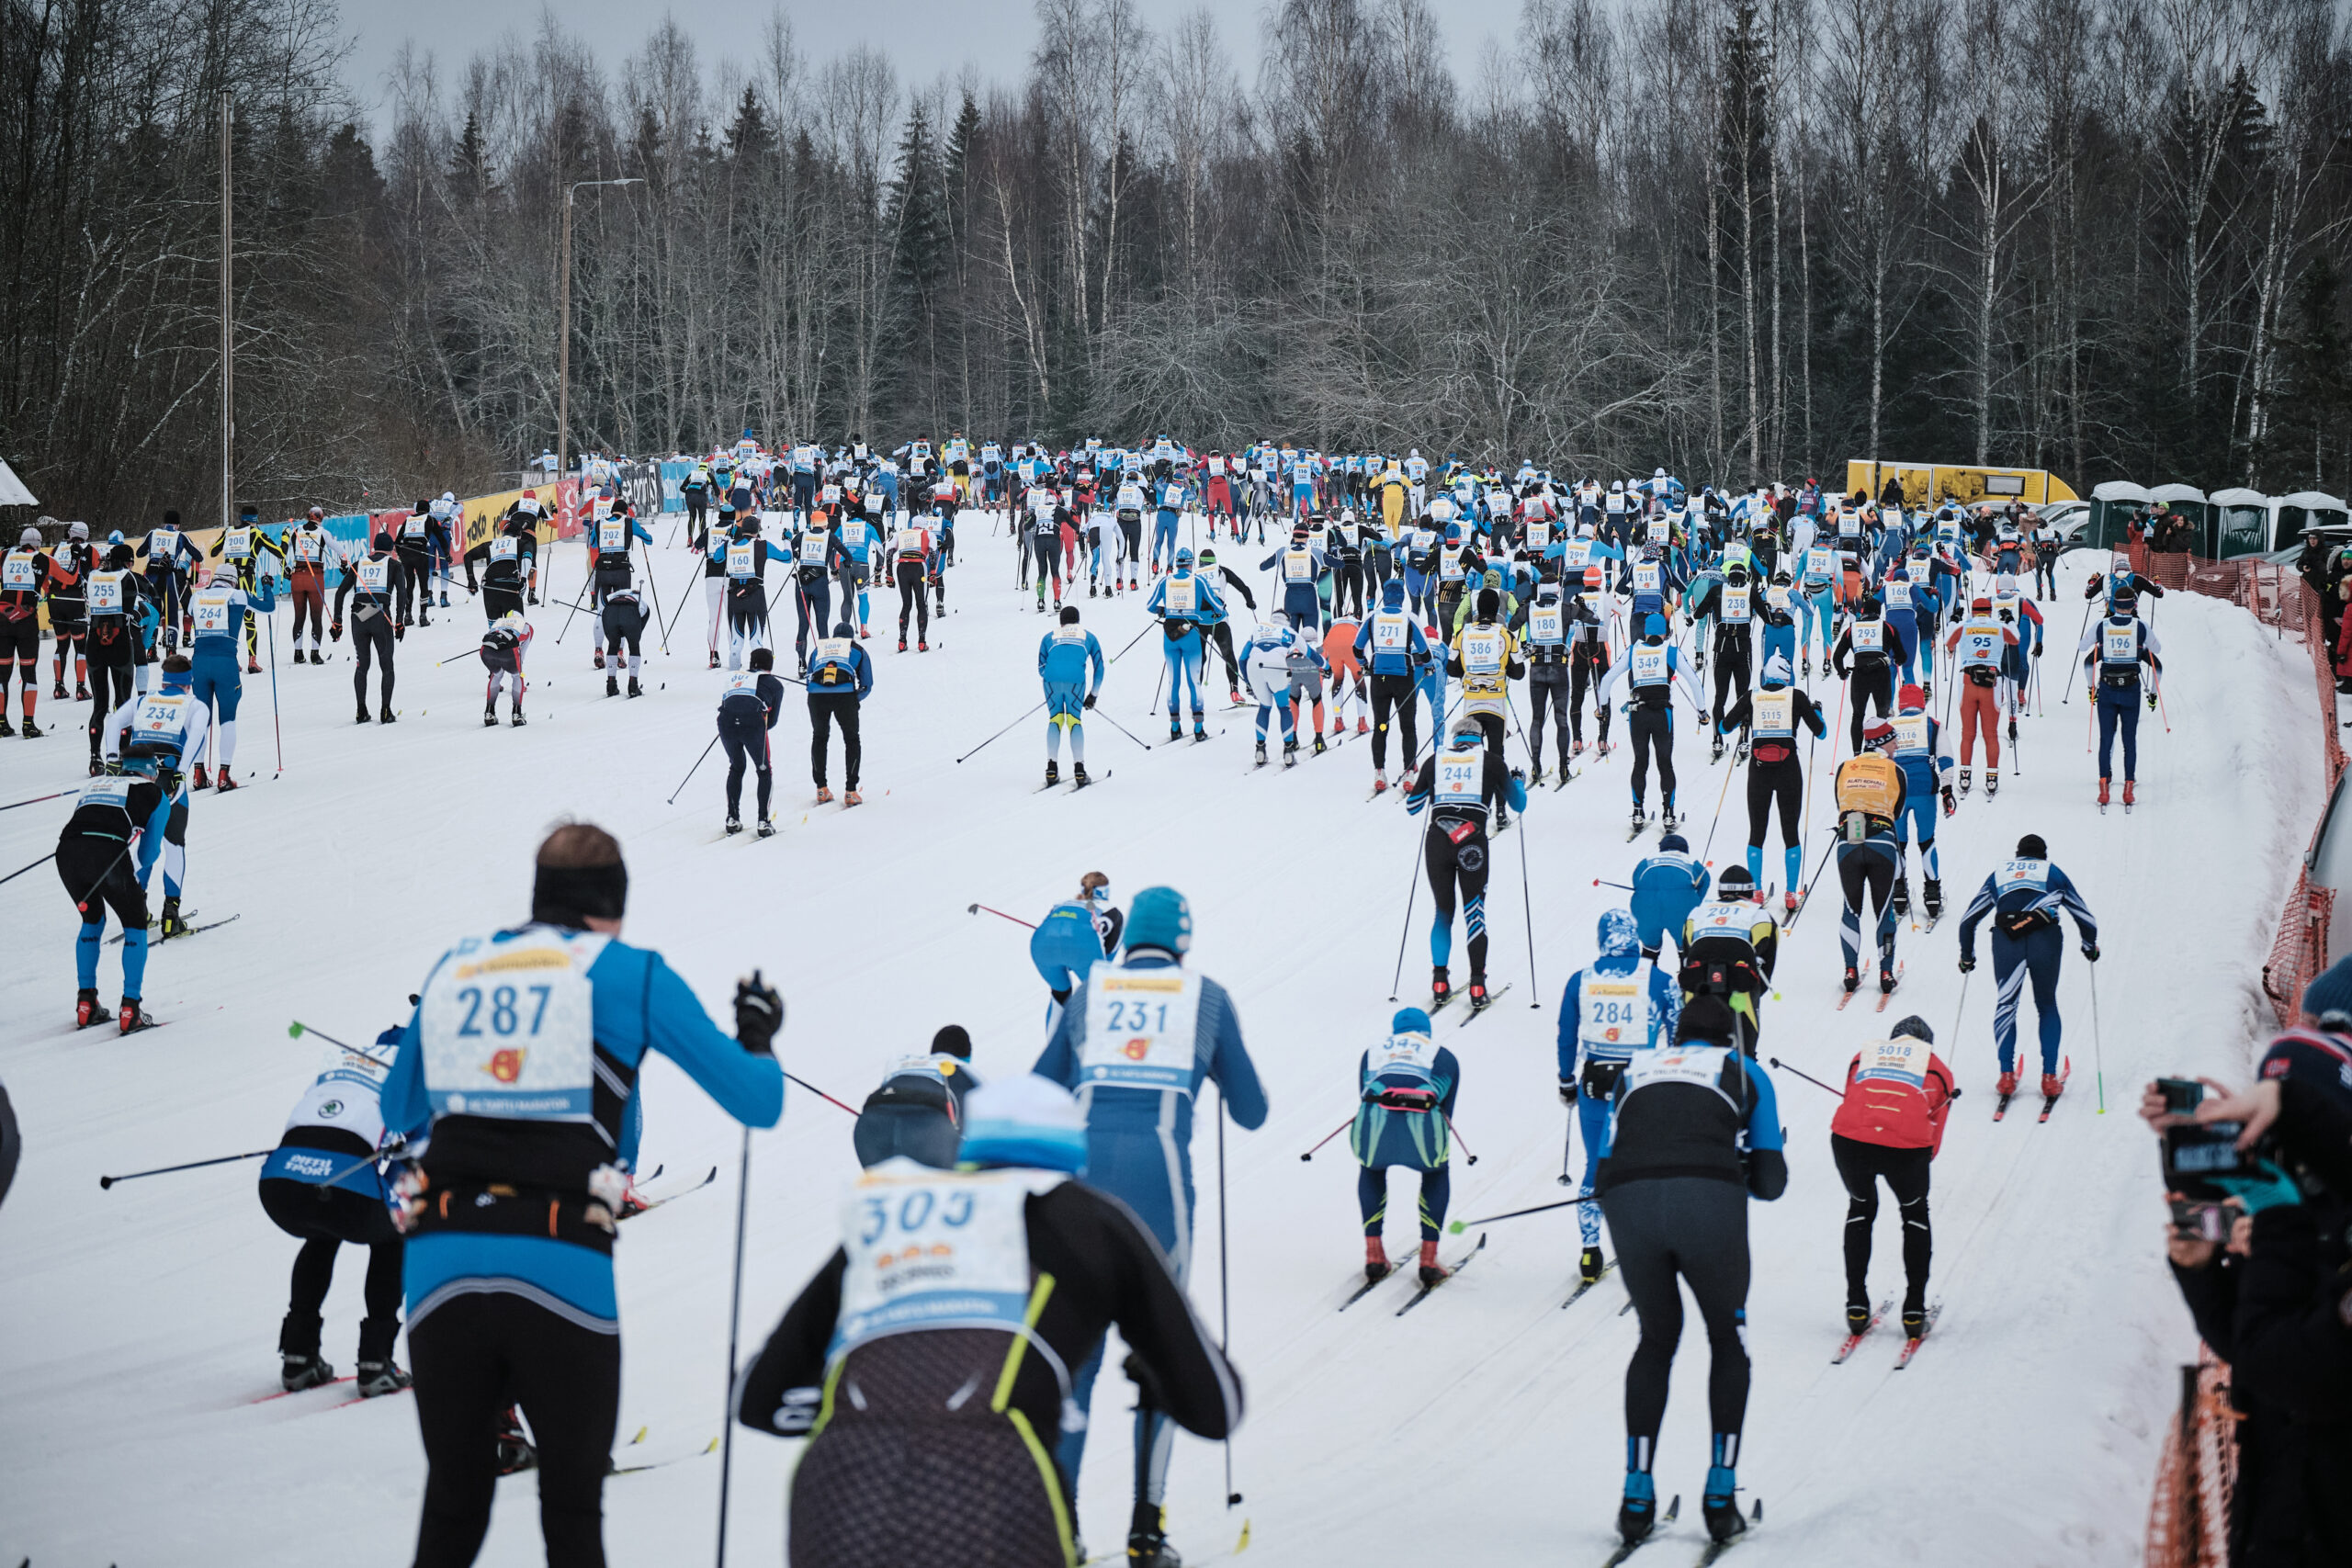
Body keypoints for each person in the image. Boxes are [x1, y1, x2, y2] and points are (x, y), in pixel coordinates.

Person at [379, 822, 786, 1568]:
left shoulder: (458, 965)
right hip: (559, 1260)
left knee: (455, 1502)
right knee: (571, 1510)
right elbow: (757, 1101)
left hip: (440, 1263)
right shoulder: (632, 972)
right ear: (615, 903)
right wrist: (758, 1036)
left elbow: (398, 1109)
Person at [734, 1073, 1244, 1568]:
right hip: (994, 1506)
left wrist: (865, 1414)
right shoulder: (1094, 1220)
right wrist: (1152, 1371)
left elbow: (757, 1401)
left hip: (837, 1505)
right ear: (1072, 1153)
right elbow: (1215, 1408)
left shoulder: (895, 1216)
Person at [1031, 887, 1266, 1565]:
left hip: (1079, 1188)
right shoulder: (1207, 997)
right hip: (1160, 1188)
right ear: (1183, 942)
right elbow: (1250, 1109)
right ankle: (1145, 1528)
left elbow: (1040, 1087)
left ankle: (1061, 1524)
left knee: (1074, 1362)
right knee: (1160, 1355)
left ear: (1128, 938)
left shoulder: (1088, 996)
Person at [1598, 995, 1786, 1549]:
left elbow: (1605, 1169)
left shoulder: (1635, 1070)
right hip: (1707, 1205)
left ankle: (1636, 1498)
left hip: (1628, 1204)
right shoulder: (1745, 1071)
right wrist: (1742, 1163)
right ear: (1731, 1038)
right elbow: (1772, 1182)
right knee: (1728, 1340)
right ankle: (1720, 1499)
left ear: (1676, 1038)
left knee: (1656, 1340)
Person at [262, 1025, 416, 1395]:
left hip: (280, 1183)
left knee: (321, 1233)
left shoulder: (347, 1061)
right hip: (345, 1186)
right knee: (393, 1236)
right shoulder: (413, 1078)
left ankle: (298, 1356)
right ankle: (375, 1362)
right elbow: (412, 1161)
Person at [1557, 910, 1680, 1285]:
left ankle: (1590, 1251)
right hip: (1642, 1088)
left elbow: (1567, 1035)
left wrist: (1566, 1080)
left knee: (1595, 1167)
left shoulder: (1581, 980)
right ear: (1634, 937)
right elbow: (1678, 1034)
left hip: (1595, 1085)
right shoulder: (1659, 980)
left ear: (1602, 939)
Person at [1830, 1017, 1954, 1343]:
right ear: (1927, 1044)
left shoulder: (1864, 1056)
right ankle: (1914, 1309)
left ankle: (1856, 1305)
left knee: (1860, 1206)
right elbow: (1934, 1139)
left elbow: (1851, 1098)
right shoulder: (1939, 1069)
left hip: (1849, 1142)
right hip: (1906, 1149)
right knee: (1914, 1214)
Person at [1956, 834, 2098, 1100]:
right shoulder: (2053, 873)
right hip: (2046, 940)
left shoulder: (1998, 875)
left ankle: (2006, 1077)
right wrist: (2089, 946)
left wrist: (1967, 957)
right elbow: (2086, 918)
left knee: (2006, 1004)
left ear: (2017, 854)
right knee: (2046, 1004)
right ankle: (2049, 1079)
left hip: (2006, 942)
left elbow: (1967, 921)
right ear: (2043, 855)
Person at [1405, 720, 1530, 1009]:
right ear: (1480, 739)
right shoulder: (1492, 761)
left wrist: (1427, 787)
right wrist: (1519, 781)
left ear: (1455, 738)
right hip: (1472, 840)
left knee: (1443, 912)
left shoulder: (1435, 760)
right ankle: (1477, 985)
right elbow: (1518, 804)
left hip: (1437, 840)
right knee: (1474, 912)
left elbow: (1413, 807)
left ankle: (1439, 981)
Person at [58, 733, 174, 1031]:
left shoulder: (95, 783)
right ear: (150, 771)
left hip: (67, 853)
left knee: (92, 920)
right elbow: (148, 854)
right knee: (135, 924)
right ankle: (130, 1009)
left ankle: (86, 1003)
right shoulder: (156, 795)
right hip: (106, 855)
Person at [1352, 1007, 1463, 1285]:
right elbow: (1446, 1114)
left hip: (1377, 1128)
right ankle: (1428, 1259)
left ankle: (1374, 1255)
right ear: (1426, 1030)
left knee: (1371, 1169)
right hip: (1423, 1130)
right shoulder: (1442, 1055)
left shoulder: (1373, 1052)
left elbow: (1363, 1097)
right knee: (1436, 1172)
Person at [1713, 652, 1826, 911]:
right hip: (1789, 769)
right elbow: (1821, 733)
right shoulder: (1796, 696)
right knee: (1790, 832)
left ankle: (1757, 892)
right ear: (1787, 675)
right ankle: (1790, 894)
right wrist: (1817, 713)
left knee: (1757, 832)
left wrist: (1745, 718)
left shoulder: (1753, 695)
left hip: (1759, 769)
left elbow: (1723, 728)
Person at [1595, 612, 1704, 836]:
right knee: (1665, 763)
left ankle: (1637, 811)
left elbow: (1607, 679)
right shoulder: (1670, 651)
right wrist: (1701, 711)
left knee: (1640, 762)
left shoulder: (1633, 651)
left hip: (1638, 714)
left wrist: (1603, 707)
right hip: (1663, 714)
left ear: (1645, 632)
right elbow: (1693, 681)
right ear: (1664, 633)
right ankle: (1668, 814)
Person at [185, 561, 276, 789]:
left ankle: (198, 773)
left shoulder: (197, 597)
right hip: (225, 664)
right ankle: (224, 774)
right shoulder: (238, 595)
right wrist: (267, 586)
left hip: (199, 664)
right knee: (228, 719)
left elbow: (188, 613)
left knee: (201, 720)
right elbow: (268, 607)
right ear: (233, 581)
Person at [1830, 746, 1906, 995]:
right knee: (1884, 909)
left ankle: (1850, 970)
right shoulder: (1894, 769)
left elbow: (1839, 803)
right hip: (1882, 833)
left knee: (1851, 907)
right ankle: (1886, 972)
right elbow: (1898, 810)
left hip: (1852, 827)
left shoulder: (1846, 766)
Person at [850, 1026, 979, 1168]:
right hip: (930, 1128)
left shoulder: (899, 1061)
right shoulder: (964, 1070)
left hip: (869, 1126)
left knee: (885, 1184)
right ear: (966, 1056)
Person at [2080, 605, 2163, 808]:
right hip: (2131, 689)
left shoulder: (2102, 625)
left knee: (2106, 738)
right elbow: (2157, 657)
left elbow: (2084, 651)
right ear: (2135, 606)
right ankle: (2128, 787)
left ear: (2112, 606)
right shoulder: (2140, 626)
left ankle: (2104, 785)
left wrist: (2091, 688)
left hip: (2107, 689)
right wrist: (2153, 692)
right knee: (2129, 738)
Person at [1356, 577, 1434, 791]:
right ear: (1401, 598)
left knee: (1381, 725)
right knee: (1408, 726)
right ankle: (1409, 773)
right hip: (1403, 678)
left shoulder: (1373, 617)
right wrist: (1429, 666)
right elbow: (1424, 650)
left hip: (1379, 678)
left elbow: (1356, 648)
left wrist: (1364, 664)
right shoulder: (1408, 617)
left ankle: (1379, 773)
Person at [1029, 872, 1124, 1032]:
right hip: (1082, 948)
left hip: (1041, 946)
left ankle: (1053, 1049)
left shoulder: (1061, 903)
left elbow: (1050, 927)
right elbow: (1105, 961)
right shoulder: (1112, 911)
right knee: (1098, 991)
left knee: (1060, 993)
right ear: (1105, 891)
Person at [1146, 547, 1224, 741]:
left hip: (1170, 637)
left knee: (1173, 681)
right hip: (1191, 636)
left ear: (1177, 564)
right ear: (1191, 564)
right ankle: (1198, 729)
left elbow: (1150, 606)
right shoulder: (1198, 581)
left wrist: (1164, 611)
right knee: (1194, 681)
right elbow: (1218, 607)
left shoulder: (1166, 580)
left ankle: (1175, 727)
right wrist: (1202, 614)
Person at [332, 528, 405, 724]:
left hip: (358, 617)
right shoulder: (395, 565)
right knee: (386, 665)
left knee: (362, 666)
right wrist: (400, 622)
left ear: (374, 548)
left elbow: (340, 593)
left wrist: (337, 621)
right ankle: (385, 711)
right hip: (381, 616)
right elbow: (402, 595)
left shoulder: (359, 564)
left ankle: (361, 711)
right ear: (390, 549)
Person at [718, 647, 786, 836]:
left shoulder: (733, 678)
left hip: (726, 723)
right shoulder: (775, 684)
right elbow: (771, 722)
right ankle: (763, 822)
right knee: (764, 770)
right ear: (770, 666)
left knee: (736, 767)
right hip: (753, 724)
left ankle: (732, 818)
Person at [807, 619, 873, 806]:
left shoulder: (819, 648)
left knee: (819, 737)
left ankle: (821, 788)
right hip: (844, 696)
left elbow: (809, 676)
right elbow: (867, 685)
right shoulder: (858, 650)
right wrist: (854, 699)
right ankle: (851, 791)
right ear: (851, 638)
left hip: (816, 696)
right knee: (851, 739)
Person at [1038, 604, 1105, 787]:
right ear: (1078, 621)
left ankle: (1051, 769)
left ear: (1061, 622)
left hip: (1051, 682)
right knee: (1074, 720)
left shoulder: (1049, 636)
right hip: (1076, 681)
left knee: (1056, 719)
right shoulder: (1088, 636)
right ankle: (1079, 770)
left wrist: (1054, 681)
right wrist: (1093, 694)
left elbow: (1041, 666)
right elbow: (1099, 666)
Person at [1, 525, 52, 736]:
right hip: (28, 622)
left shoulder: (5, 555)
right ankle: (28, 724)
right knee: (28, 672)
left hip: (3, 620)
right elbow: (67, 580)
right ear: (38, 545)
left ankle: (1, 723)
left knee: (2, 674)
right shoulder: (43, 558)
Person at [1629, 832, 1711, 965]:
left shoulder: (1647, 862)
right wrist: (1695, 901)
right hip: (1681, 909)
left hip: (1646, 908)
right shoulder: (1690, 862)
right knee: (1686, 948)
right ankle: (1687, 978)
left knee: (1649, 948)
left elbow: (1636, 881)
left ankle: (1647, 978)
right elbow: (1705, 879)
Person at [1831, 592, 1897, 754]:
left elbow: (1837, 656)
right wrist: (1898, 659)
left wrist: (1842, 672)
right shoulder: (1887, 627)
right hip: (1881, 673)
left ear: (1863, 612)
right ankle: (1880, 750)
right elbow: (1901, 654)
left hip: (1860, 675)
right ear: (1879, 612)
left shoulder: (1852, 628)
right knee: (1882, 714)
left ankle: (1856, 752)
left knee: (1857, 715)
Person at [44, 519, 96, 700]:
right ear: (86, 535)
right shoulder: (90, 549)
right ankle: (81, 688)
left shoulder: (57, 549)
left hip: (55, 600)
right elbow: (97, 572)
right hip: (76, 600)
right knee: (81, 646)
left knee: (61, 644)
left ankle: (59, 686)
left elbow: (46, 570)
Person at [284, 509, 332, 661]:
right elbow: (339, 549)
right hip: (315, 577)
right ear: (320, 518)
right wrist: (344, 563)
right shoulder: (323, 532)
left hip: (297, 577)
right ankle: (315, 654)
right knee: (316, 617)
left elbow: (282, 552)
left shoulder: (296, 531)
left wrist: (285, 567)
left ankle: (298, 654)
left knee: (299, 617)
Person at [474, 610, 532, 728]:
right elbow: (522, 653)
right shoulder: (526, 626)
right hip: (509, 651)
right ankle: (517, 714)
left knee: (496, 675)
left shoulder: (499, 622)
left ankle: (489, 713)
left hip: (486, 651)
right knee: (517, 676)